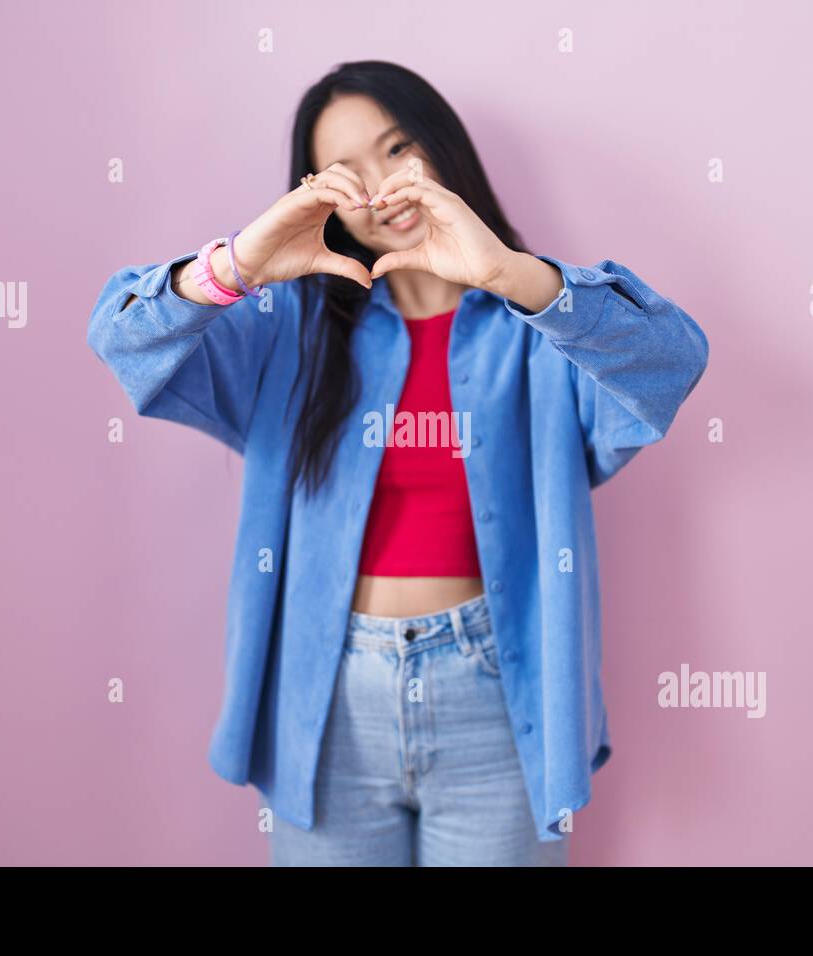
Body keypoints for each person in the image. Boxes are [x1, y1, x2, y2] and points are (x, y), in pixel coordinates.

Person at [86, 60, 709, 866]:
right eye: (346, 175)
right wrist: (240, 263)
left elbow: (671, 361)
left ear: (443, 148)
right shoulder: (289, 331)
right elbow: (121, 338)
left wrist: (508, 275)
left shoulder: (540, 322)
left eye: (398, 148)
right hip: (329, 699)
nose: (381, 189)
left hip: (495, 694)